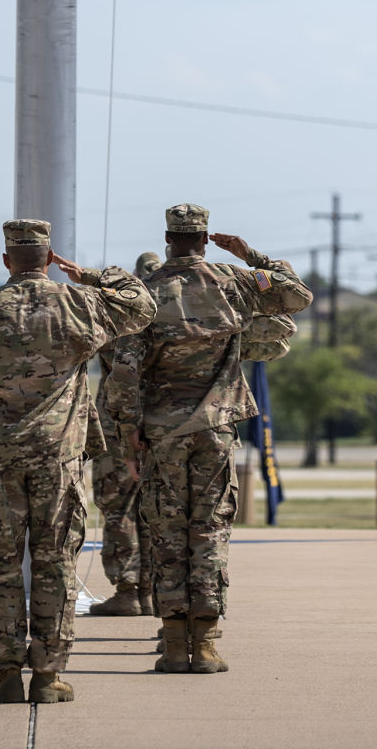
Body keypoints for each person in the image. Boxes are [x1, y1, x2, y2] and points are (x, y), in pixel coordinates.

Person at [0, 218, 156, 706]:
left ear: (7, 261)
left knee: (1, 567)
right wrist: (91, 276)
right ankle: (49, 676)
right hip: (59, 461)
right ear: (49, 260)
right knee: (54, 566)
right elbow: (142, 303)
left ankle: (6, 673)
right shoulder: (78, 304)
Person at [106, 204, 311, 676]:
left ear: (167, 239)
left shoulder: (147, 291)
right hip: (215, 430)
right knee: (210, 532)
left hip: (160, 433)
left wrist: (127, 436)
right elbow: (296, 296)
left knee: (166, 535)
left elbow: (125, 371)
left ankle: (175, 644)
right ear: (203, 239)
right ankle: (207, 644)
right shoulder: (232, 279)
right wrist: (251, 254)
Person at [88, 249, 162, 616]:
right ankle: (151, 591)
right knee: (156, 510)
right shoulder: (174, 321)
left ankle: (128, 589)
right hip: (162, 423)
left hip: (117, 426)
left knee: (119, 507)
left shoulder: (122, 320)